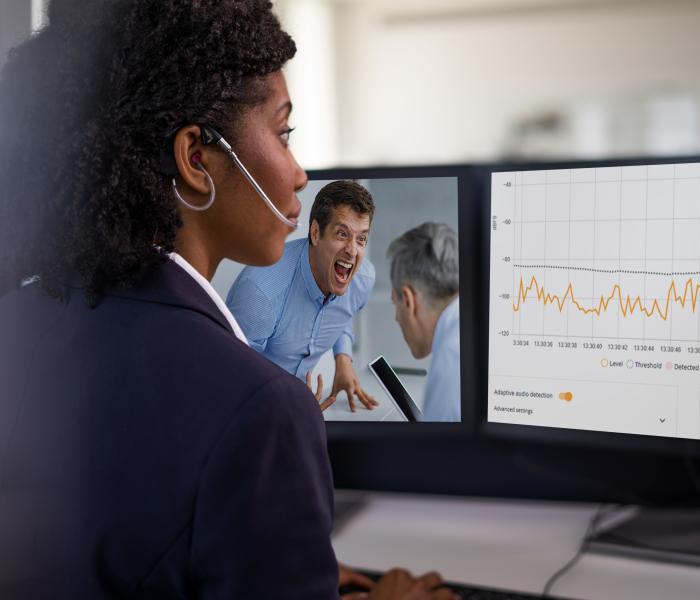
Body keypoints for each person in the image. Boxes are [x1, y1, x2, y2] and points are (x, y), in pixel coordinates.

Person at [0, 1, 455, 598]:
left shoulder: (14, 326)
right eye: (283, 132)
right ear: (196, 159)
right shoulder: (261, 411)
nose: (297, 173)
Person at [227, 180, 379, 412]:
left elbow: (344, 311)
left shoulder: (362, 279)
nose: (352, 250)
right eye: (342, 234)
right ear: (316, 233)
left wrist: (344, 360)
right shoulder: (260, 294)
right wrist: (291, 405)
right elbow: (232, 379)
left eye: (361, 239)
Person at [387, 223, 461, 422]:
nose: (396, 317)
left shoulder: (450, 362)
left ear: (409, 300)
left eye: (395, 303)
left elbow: (435, 452)